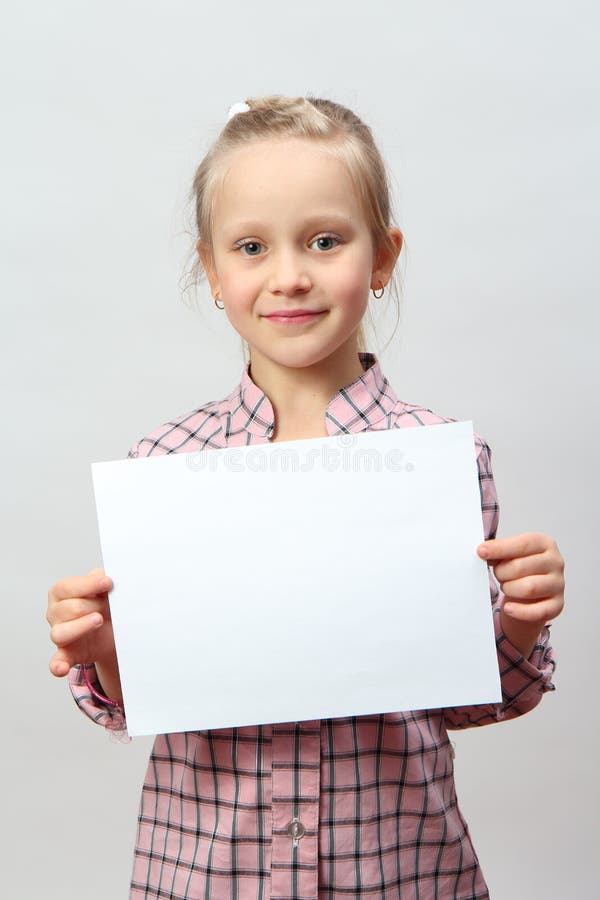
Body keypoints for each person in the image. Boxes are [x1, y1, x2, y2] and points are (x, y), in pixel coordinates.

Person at [46, 95, 565, 900]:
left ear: (382, 258)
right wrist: (110, 650)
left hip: (398, 873)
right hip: (209, 876)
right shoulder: (164, 467)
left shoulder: (440, 460)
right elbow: (135, 704)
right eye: (251, 246)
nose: (289, 275)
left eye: (325, 241)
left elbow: (465, 700)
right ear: (212, 270)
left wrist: (520, 623)